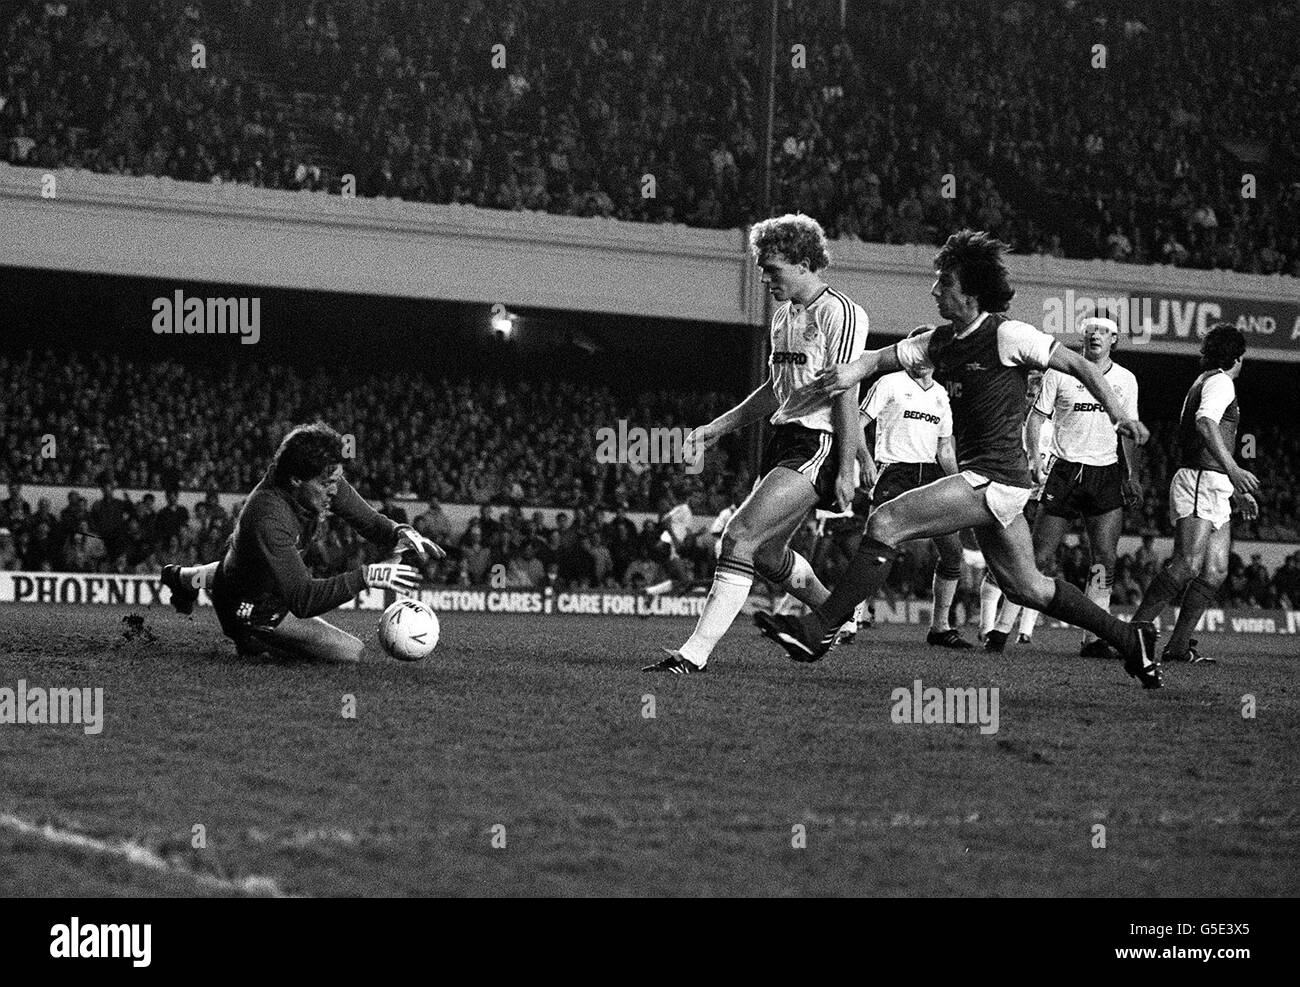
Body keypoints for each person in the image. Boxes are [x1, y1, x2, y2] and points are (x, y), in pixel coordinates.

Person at [755, 229, 1162, 688]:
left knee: (886, 521)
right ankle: (1132, 641)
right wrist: (850, 369)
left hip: (996, 478)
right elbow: (877, 360)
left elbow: (1081, 367)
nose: (934, 290)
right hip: (987, 481)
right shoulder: (940, 341)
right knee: (1026, 586)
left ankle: (818, 629)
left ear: (969, 293)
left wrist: (1120, 415)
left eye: (943, 282)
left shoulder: (1008, 335)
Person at [643, 213, 867, 674]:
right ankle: (838, 614)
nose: (764, 278)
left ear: (805, 263)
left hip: (818, 441)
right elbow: (775, 388)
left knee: (739, 535)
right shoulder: (785, 315)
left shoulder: (840, 312)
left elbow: (845, 389)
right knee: (766, 553)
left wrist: (847, 465)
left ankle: (693, 655)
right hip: (785, 438)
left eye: (773, 269)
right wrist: (716, 428)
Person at [160, 423, 444, 662]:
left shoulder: (318, 478)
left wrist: (400, 532)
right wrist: (367, 575)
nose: (335, 490)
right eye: (327, 483)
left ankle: (178, 577)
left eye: (337, 479)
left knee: (245, 567)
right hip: (252, 603)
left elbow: (370, 522)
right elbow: (303, 599)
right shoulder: (269, 516)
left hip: (246, 569)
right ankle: (247, 635)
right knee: (350, 652)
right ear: (296, 479)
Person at [985, 316, 1141, 657]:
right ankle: (999, 631)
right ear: (1082, 338)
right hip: (1065, 472)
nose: (1095, 335)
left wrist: (1132, 475)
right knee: (1037, 556)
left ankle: (1093, 639)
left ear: (1114, 339)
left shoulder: (1126, 380)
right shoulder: (1059, 373)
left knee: (1104, 560)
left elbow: (1127, 430)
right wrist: (1033, 459)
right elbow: (1036, 417)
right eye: (1090, 331)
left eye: (1103, 331)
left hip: (1105, 473)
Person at [1129, 325, 1260, 664]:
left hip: (1212, 483)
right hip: (1201, 479)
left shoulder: (1206, 380)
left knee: (1215, 570)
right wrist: (1234, 470)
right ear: (1239, 357)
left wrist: (1233, 490)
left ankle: (1177, 646)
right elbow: (1205, 423)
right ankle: (1132, 635)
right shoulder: (1220, 381)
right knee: (1187, 564)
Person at [852, 332, 972, 648]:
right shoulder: (890, 383)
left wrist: (962, 483)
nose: (921, 358)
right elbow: (856, 422)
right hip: (895, 471)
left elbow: (945, 448)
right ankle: (850, 620)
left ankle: (940, 627)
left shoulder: (941, 396)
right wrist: (864, 458)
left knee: (952, 552)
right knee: (877, 549)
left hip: (931, 475)